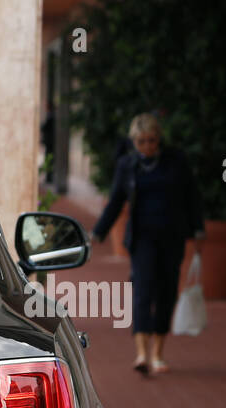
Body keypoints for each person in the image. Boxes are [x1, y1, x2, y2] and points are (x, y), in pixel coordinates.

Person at [92, 113, 205, 374]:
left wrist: (198, 230)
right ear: (134, 142)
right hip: (142, 238)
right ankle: (141, 354)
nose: (148, 146)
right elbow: (116, 202)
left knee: (166, 292)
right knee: (143, 291)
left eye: (152, 140)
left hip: (172, 237)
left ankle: (158, 353)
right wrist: (97, 233)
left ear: (159, 138)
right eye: (141, 141)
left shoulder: (176, 161)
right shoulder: (127, 165)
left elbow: (192, 197)